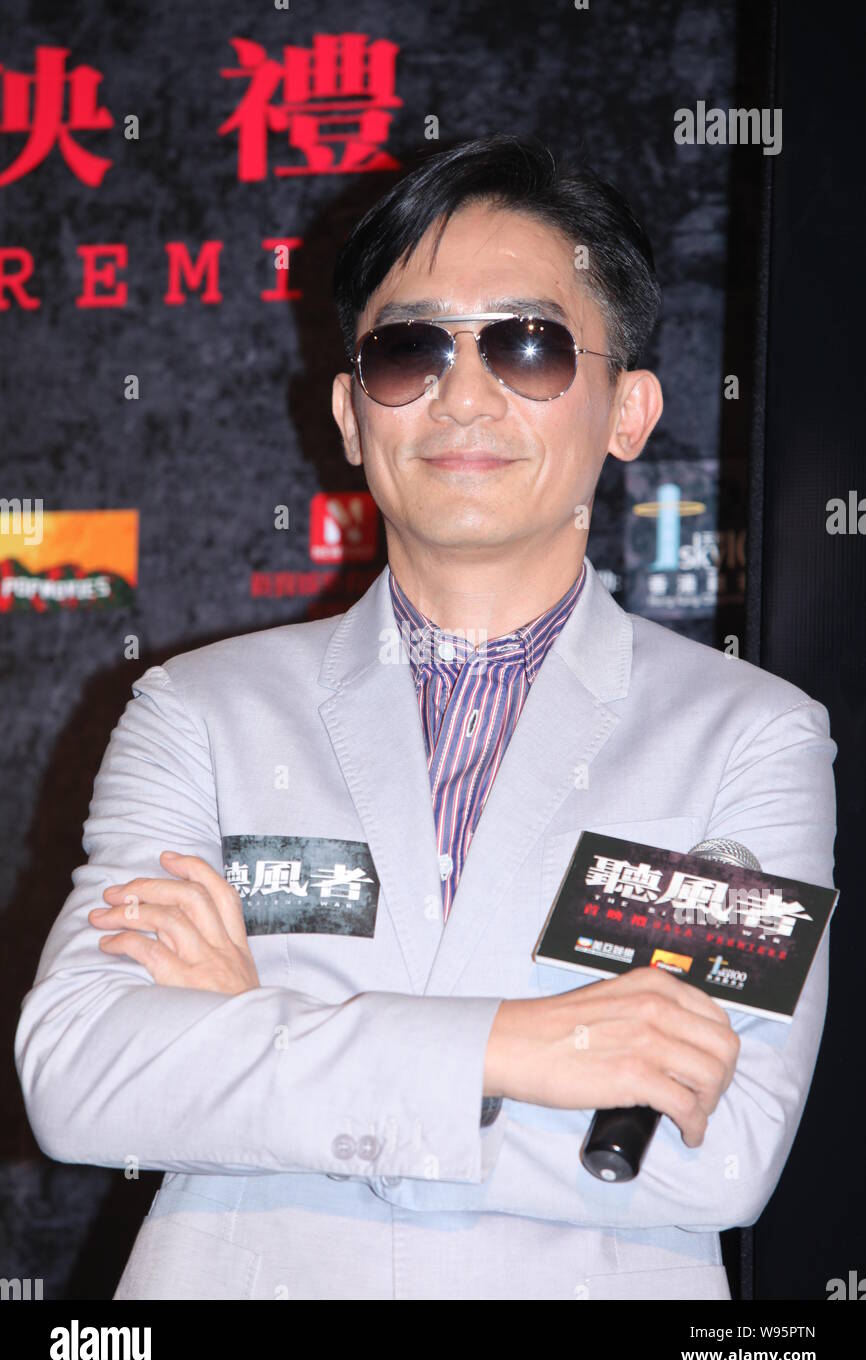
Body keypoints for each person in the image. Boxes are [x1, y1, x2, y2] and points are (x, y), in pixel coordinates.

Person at [15, 134, 836, 1301]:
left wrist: (260, 1031)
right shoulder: (198, 710)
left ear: (628, 410)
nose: (462, 393)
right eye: (410, 350)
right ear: (352, 413)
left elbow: (721, 1152)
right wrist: (510, 1047)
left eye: (528, 346)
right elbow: (82, 1073)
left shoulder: (748, 736)